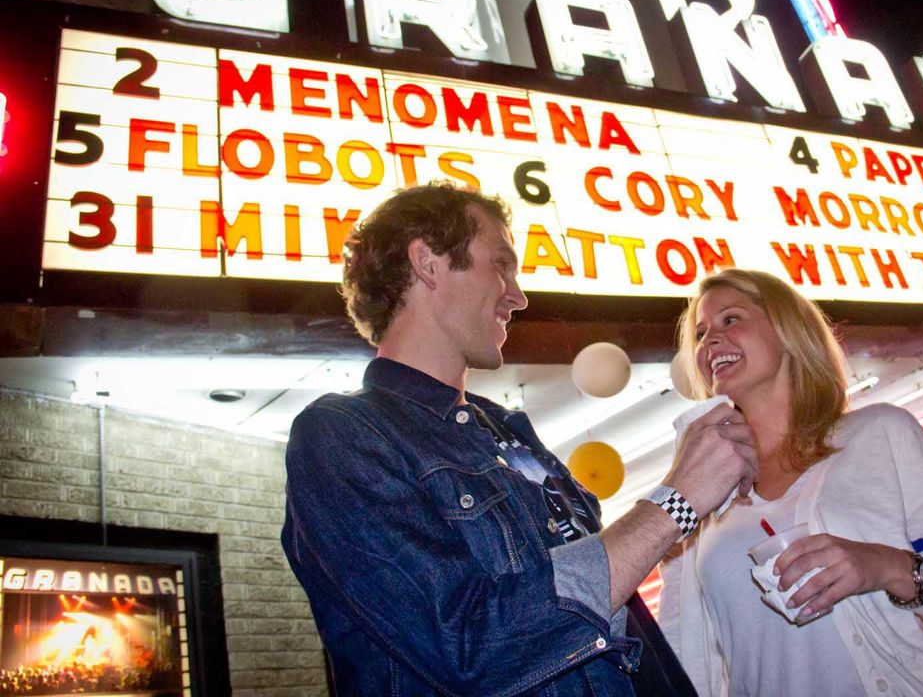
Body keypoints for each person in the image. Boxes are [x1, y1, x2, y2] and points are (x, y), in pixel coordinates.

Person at [281, 183, 758, 696]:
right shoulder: (340, 434)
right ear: (427, 262)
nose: (518, 295)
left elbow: (609, 621)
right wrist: (674, 504)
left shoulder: (507, 432)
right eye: (501, 265)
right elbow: (468, 648)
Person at [658, 268, 923, 696]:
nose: (709, 342)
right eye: (701, 334)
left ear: (788, 330)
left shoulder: (882, 434)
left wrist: (883, 566)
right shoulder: (700, 488)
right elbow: (682, 652)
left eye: (730, 319)